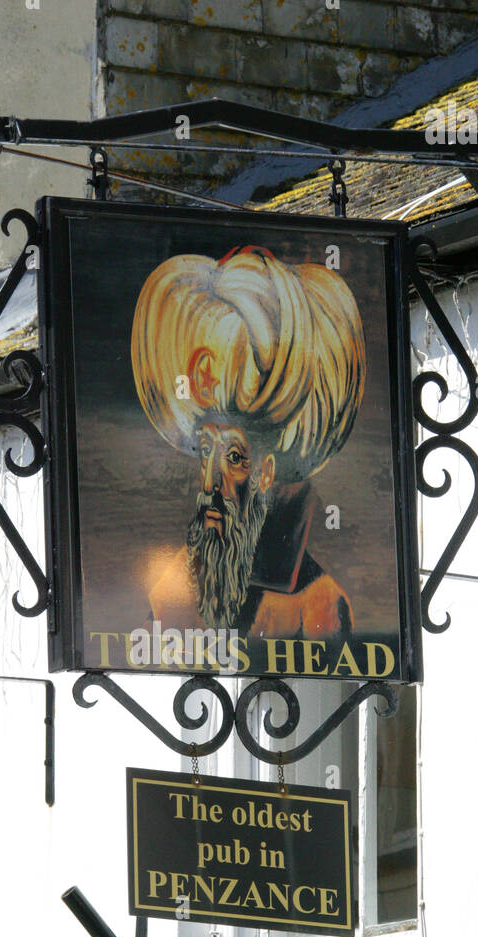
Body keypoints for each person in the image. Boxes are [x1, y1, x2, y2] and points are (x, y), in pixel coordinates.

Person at [130, 244, 366, 645]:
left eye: (235, 458)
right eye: (206, 451)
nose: (211, 484)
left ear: (269, 470)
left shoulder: (321, 606)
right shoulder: (168, 601)